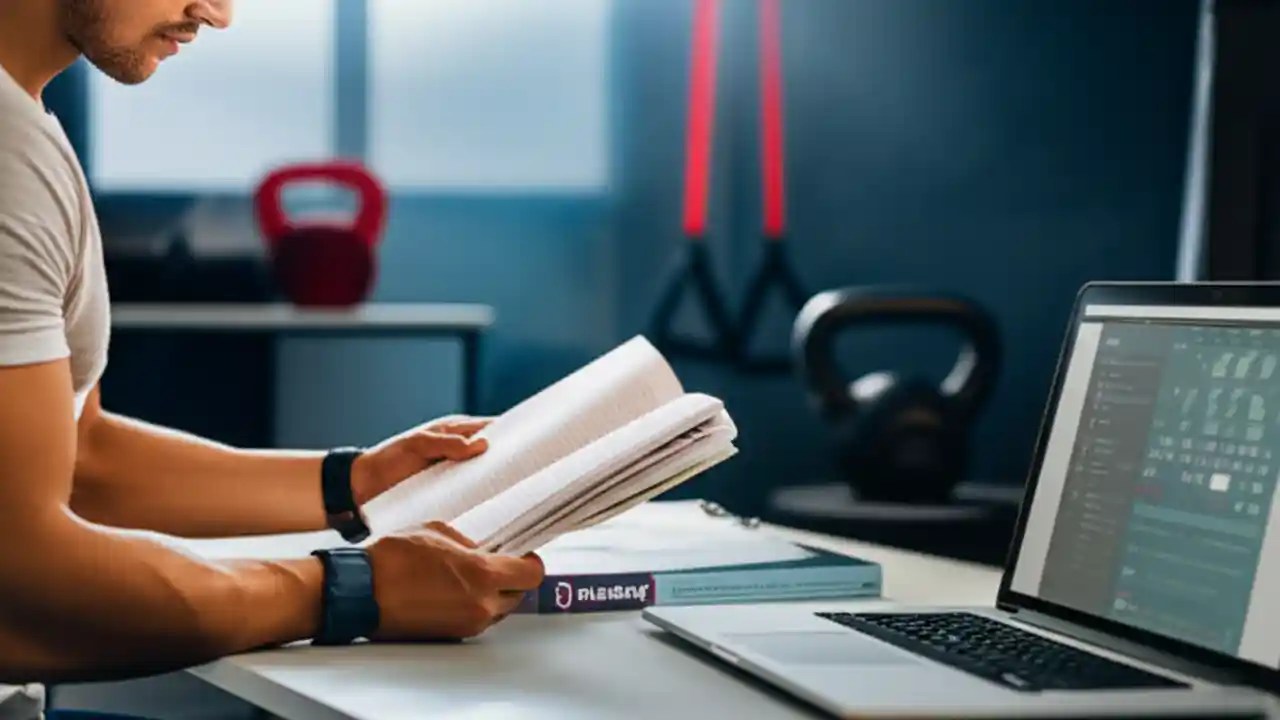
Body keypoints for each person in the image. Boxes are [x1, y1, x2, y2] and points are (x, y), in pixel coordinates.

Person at [0, 2, 546, 717]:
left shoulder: (25, 124)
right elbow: (19, 584)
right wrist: (355, 589)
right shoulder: (8, 157)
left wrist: (356, 481)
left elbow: (83, 457)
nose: (217, 13)